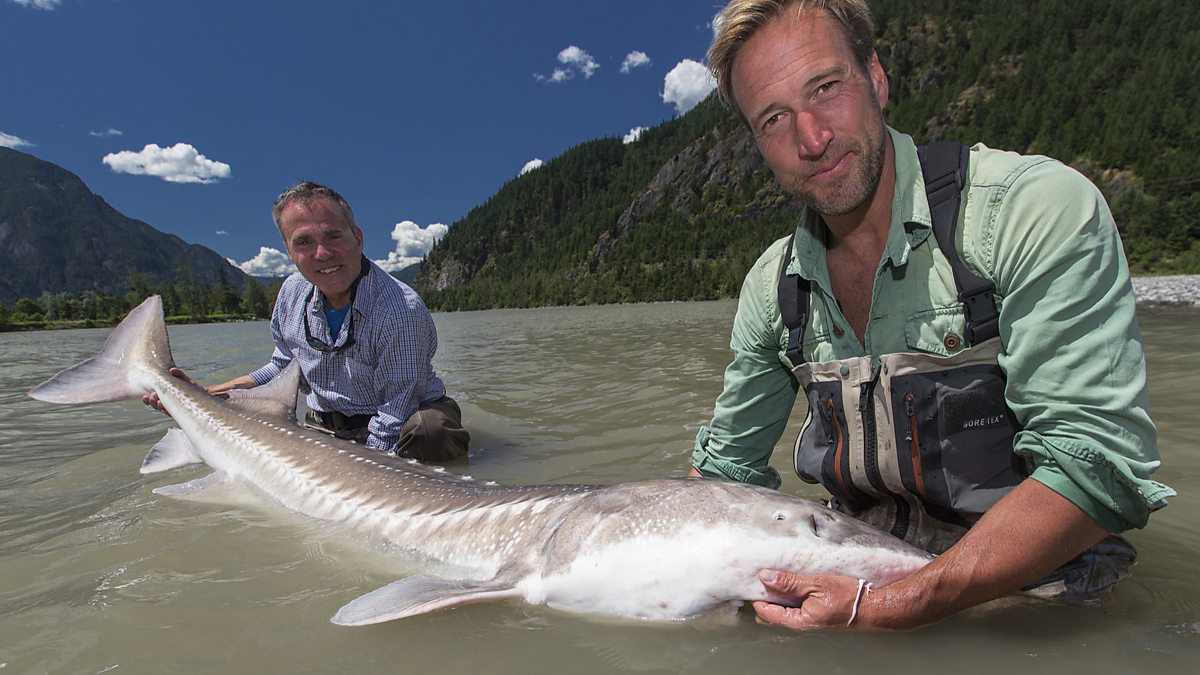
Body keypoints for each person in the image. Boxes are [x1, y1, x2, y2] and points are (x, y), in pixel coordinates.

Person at [690, 0, 1174, 630]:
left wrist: (888, 609)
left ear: (876, 77)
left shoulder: (1033, 209)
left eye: (826, 87)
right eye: (775, 119)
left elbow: (1096, 468)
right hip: (852, 586)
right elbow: (723, 479)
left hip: (1046, 608)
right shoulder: (771, 286)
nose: (811, 139)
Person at [145, 180, 469, 463]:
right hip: (325, 423)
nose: (322, 253)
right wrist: (210, 393)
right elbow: (283, 368)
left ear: (357, 238)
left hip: (403, 417)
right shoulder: (291, 293)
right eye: (303, 242)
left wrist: (361, 475)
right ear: (289, 251)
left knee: (431, 432)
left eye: (333, 236)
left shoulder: (400, 309)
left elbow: (393, 416)